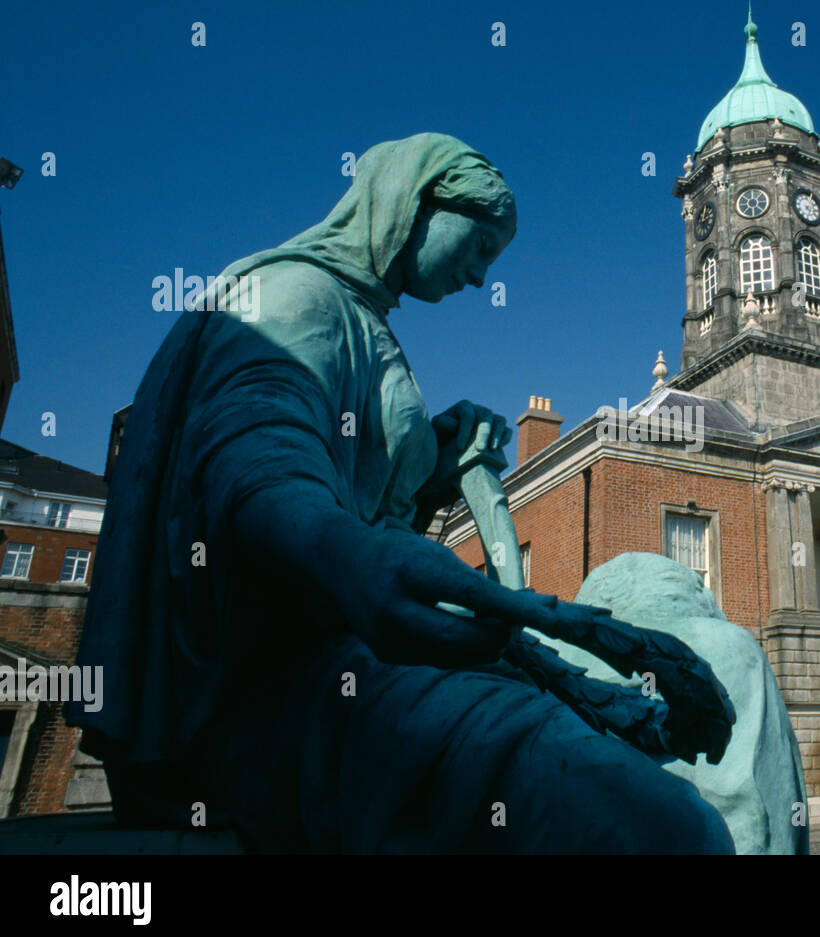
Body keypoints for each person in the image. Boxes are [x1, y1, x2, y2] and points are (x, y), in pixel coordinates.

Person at [68, 133, 733, 854]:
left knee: (650, 805)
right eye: (480, 247)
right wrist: (349, 555)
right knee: (663, 827)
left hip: (349, 660)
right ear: (416, 204)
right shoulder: (292, 297)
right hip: (290, 687)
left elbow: (351, 496)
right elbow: (252, 469)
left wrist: (433, 460)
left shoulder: (360, 318)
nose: (481, 277)